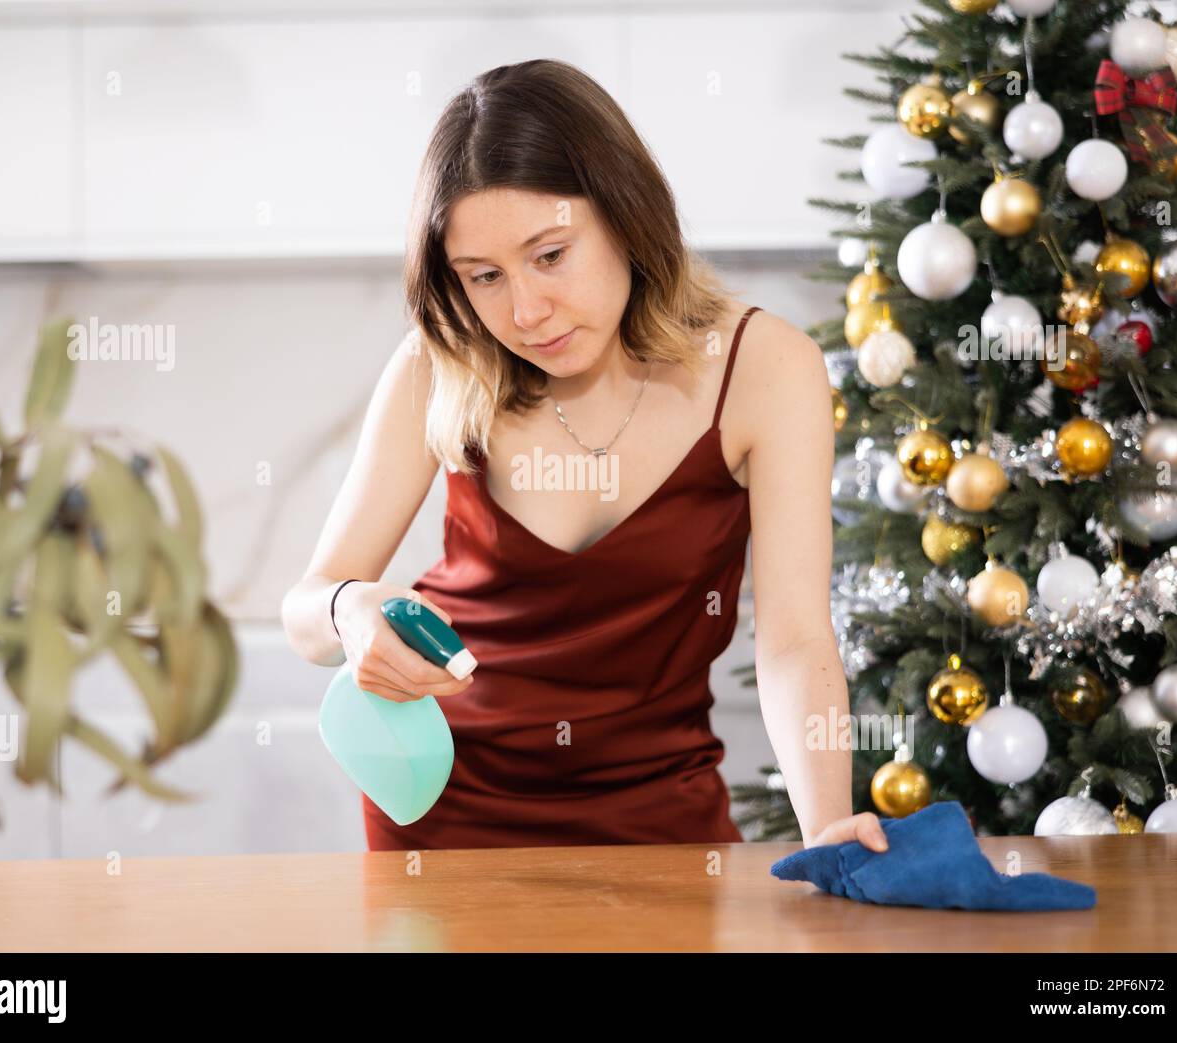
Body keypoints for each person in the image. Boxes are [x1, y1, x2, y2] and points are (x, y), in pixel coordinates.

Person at [282, 59, 887, 855]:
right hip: (445, 811)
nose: (526, 311)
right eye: (485, 277)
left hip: (658, 822)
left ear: (626, 215)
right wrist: (349, 611)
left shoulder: (764, 367)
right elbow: (309, 610)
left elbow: (794, 640)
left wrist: (826, 828)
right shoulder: (440, 362)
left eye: (551, 255)